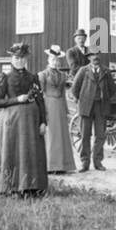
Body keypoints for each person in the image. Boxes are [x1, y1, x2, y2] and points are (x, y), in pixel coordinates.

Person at [0, 42, 48, 197]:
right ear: (12, 59)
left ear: (26, 59)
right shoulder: (5, 78)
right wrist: (17, 99)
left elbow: (40, 100)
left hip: (31, 123)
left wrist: (43, 122)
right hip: (12, 123)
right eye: (17, 58)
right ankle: (10, 186)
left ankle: (32, 186)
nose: (20, 61)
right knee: (12, 152)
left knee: (30, 151)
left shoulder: (33, 77)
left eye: (22, 58)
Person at [71, 50, 114, 172]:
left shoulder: (106, 71)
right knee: (85, 135)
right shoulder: (83, 71)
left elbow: (112, 89)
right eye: (92, 55)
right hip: (86, 107)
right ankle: (85, 163)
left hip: (101, 107)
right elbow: (75, 89)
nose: (95, 57)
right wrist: (84, 99)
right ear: (89, 58)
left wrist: (104, 97)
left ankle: (98, 162)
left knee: (100, 135)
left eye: (97, 55)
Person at [39, 45, 77, 174]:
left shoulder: (62, 75)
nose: (55, 62)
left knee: (61, 135)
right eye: (53, 59)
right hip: (48, 105)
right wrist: (41, 111)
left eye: (57, 60)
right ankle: (50, 166)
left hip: (60, 106)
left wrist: (66, 111)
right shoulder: (43, 75)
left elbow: (63, 93)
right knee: (51, 135)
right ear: (48, 60)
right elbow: (40, 93)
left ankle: (62, 165)